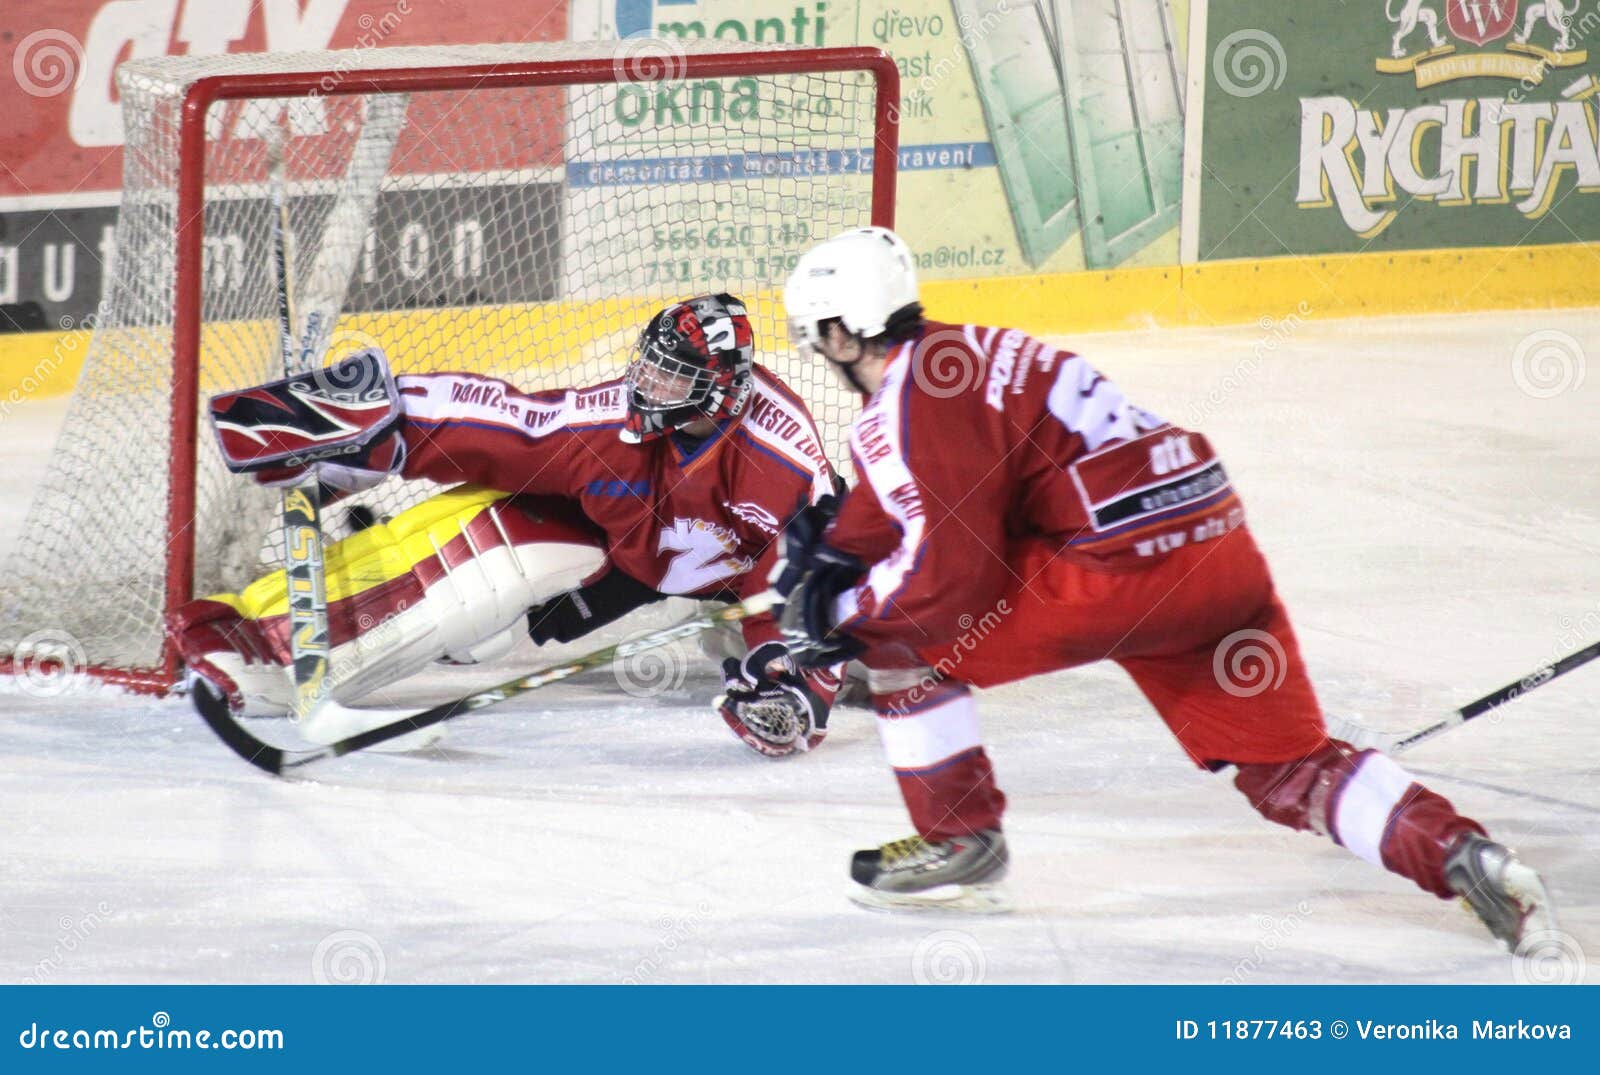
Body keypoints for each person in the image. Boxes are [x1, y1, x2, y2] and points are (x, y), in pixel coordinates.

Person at [772, 227, 1556, 947]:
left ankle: (957, 838)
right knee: (1285, 768)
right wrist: (842, 546)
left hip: (1118, 568)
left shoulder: (910, 399)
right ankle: (1463, 855)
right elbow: (933, 489)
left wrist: (843, 614)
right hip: (1215, 550)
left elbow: (951, 571)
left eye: (820, 337)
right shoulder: (982, 348)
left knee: (908, 643)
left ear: (840, 331)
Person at [172, 293, 841, 758]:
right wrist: (370, 424)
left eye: (670, 380)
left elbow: (803, 573)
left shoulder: (780, 463)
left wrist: (787, 673)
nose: (646, 387)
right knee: (488, 554)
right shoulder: (619, 426)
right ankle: (262, 636)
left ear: (720, 391)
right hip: (634, 552)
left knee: (883, 652)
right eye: (649, 368)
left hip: (745, 578)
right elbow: (512, 425)